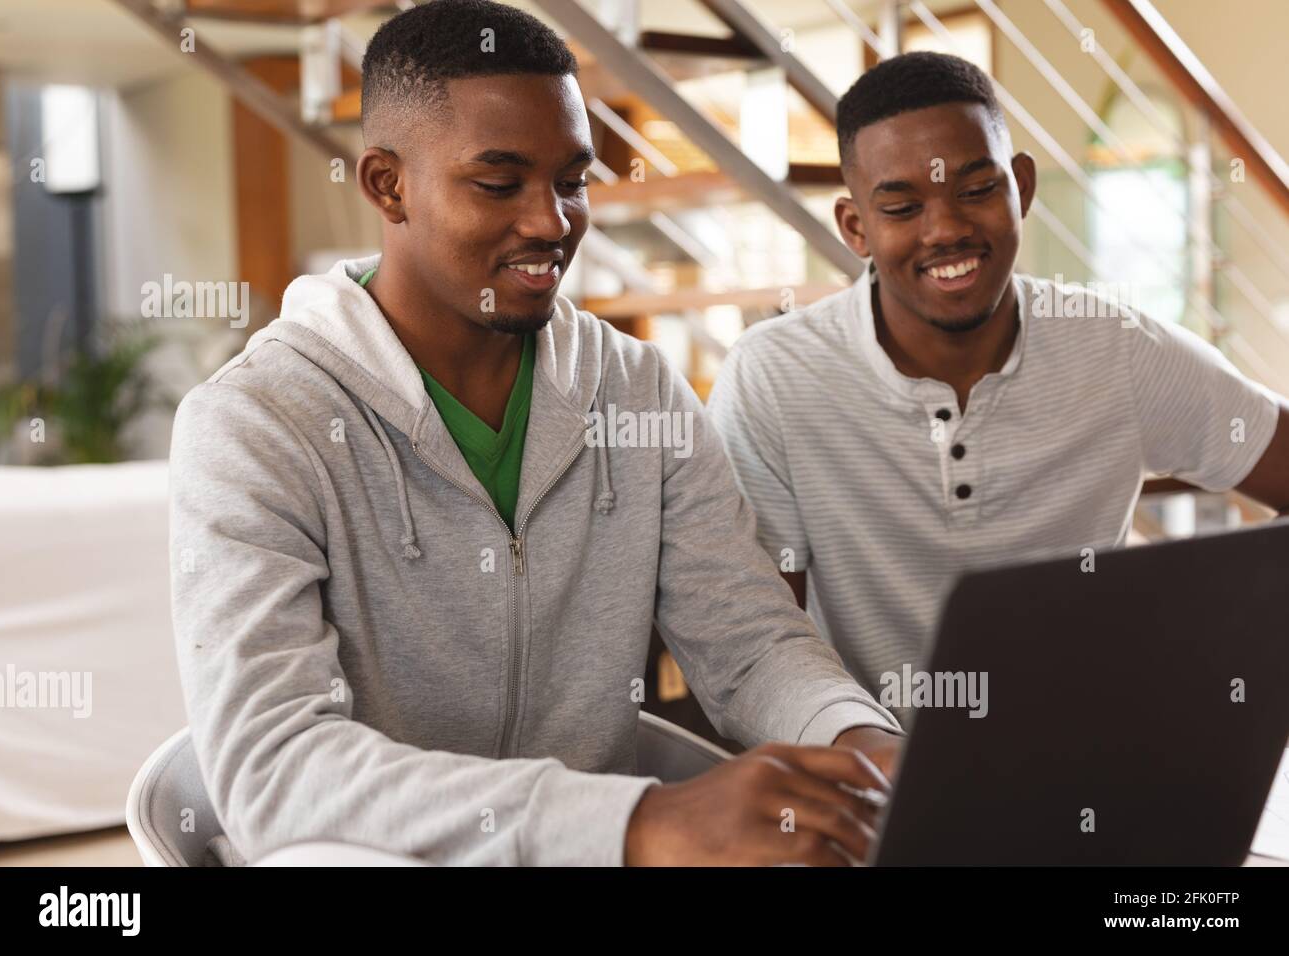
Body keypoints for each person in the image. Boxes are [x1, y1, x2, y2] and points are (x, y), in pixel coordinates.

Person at [168, 0, 901, 867]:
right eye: (498, 182)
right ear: (386, 184)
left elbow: (749, 642)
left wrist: (866, 746)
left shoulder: (638, 391)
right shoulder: (254, 424)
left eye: (572, 180)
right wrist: (635, 825)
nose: (552, 222)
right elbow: (274, 773)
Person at [708, 51, 1289, 708]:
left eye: (978, 190)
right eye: (901, 207)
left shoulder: (1118, 351)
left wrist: (1225, 649)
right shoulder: (774, 378)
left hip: (1101, 763)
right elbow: (755, 644)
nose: (947, 230)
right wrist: (855, 746)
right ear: (855, 228)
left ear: (1023, 187)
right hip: (871, 779)